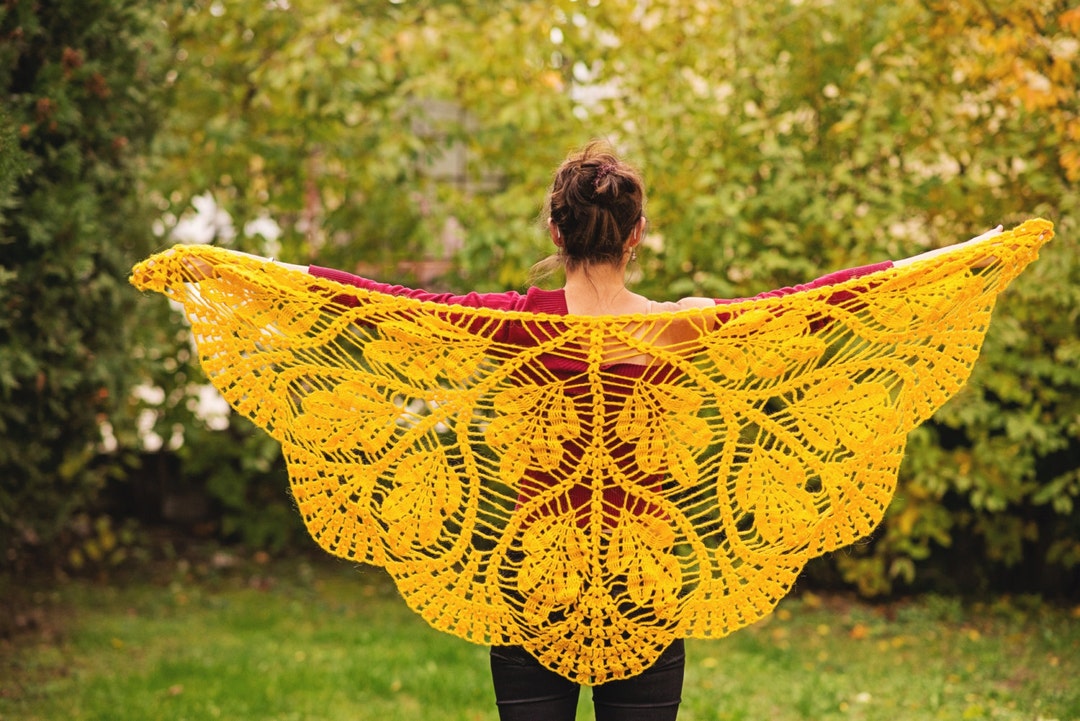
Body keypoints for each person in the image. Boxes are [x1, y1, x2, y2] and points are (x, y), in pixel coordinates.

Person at [176, 141, 1007, 721]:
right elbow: (828, 302)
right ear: (635, 236)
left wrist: (240, 271)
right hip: (647, 582)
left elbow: (361, 300)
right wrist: (958, 259)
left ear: (555, 230)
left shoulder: (511, 323)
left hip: (533, 580)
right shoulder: (686, 327)